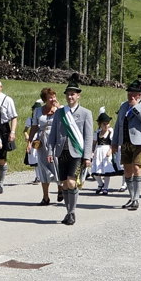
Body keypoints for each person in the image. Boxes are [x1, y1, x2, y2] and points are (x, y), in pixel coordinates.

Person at [44, 81, 95, 225]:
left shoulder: (86, 113)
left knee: (72, 182)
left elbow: (88, 136)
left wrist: (87, 156)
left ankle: (72, 213)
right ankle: (68, 212)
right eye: (68, 94)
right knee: (64, 184)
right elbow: (53, 133)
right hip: (61, 152)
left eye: (73, 94)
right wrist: (50, 151)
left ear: (78, 96)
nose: (70, 97)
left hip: (77, 153)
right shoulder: (60, 112)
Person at [114, 81, 141, 210]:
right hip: (125, 141)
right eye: (129, 93)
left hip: (140, 142)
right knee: (127, 170)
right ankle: (131, 197)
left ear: (140, 95)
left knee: (137, 168)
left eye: (134, 94)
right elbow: (117, 125)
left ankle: (136, 198)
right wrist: (114, 142)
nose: (130, 96)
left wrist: (136, 106)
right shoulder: (123, 106)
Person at [25, 88, 59, 206]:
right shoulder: (38, 111)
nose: (53, 99)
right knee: (43, 167)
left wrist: (58, 110)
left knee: (56, 165)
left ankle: (60, 189)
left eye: (54, 96)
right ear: (45, 99)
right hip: (42, 140)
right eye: (50, 97)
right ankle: (46, 197)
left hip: (55, 140)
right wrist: (29, 142)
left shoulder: (60, 110)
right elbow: (34, 126)